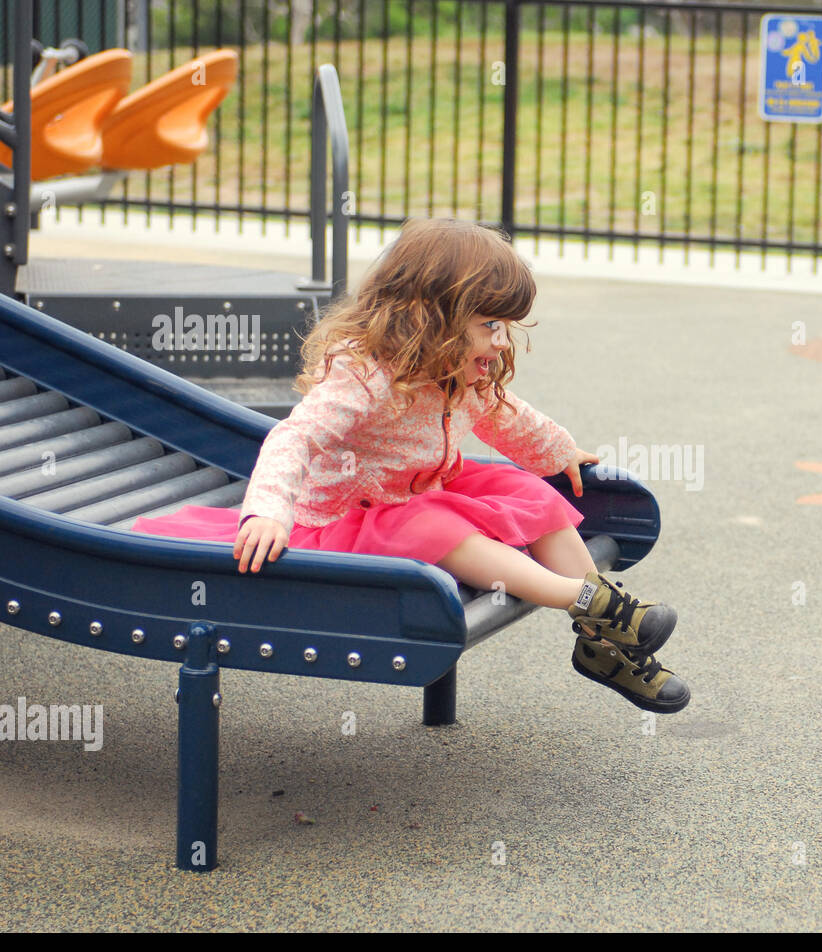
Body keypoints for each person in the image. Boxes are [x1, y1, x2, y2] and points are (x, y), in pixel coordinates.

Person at [131, 218, 689, 714]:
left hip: (427, 488)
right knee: (437, 525)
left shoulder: (456, 367)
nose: (499, 340)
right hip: (356, 516)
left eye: (504, 326)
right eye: (489, 324)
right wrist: (267, 512)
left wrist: (559, 453)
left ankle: (602, 641)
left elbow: (506, 416)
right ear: (430, 316)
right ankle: (589, 599)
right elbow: (293, 436)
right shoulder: (365, 372)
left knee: (532, 491)